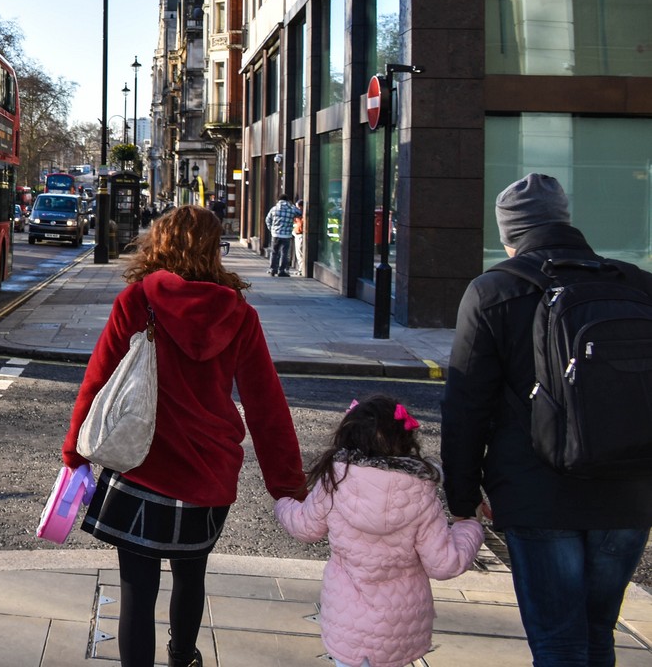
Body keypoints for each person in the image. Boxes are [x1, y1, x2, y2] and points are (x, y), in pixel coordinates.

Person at [62, 205, 305, 667]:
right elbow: (266, 406)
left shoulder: (137, 301)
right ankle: (182, 658)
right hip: (207, 474)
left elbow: (97, 381)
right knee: (191, 576)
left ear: (160, 244)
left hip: (140, 466)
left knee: (137, 589)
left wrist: (75, 454)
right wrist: (288, 486)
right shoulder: (239, 315)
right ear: (213, 251)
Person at [441, 173, 652, 664]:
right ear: (565, 219)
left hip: (537, 490)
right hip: (629, 490)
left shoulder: (494, 291)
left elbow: (467, 405)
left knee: (559, 642)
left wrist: (463, 497)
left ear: (509, 234)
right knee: (597, 634)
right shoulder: (638, 284)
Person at [276, 394, 485, 667]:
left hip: (347, 621)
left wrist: (282, 503)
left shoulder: (334, 481)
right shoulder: (420, 491)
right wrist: (470, 526)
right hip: (400, 625)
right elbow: (444, 563)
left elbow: (305, 526)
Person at [265, 194, 300, 276]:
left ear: (278, 200)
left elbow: (267, 220)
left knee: (274, 252)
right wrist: (292, 205)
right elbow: (300, 213)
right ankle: (282, 270)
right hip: (286, 235)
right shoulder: (291, 209)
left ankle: (273, 269)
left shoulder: (274, 209)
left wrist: (272, 229)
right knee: (284, 253)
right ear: (287, 200)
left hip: (275, 234)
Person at [291, 199, 306, 275]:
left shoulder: (302, 216)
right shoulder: (299, 215)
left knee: (300, 253)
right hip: (297, 234)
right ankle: (300, 269)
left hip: (300, 235)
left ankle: (301, 269)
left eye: (298, 207)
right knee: (299, 254)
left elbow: (300, 225)